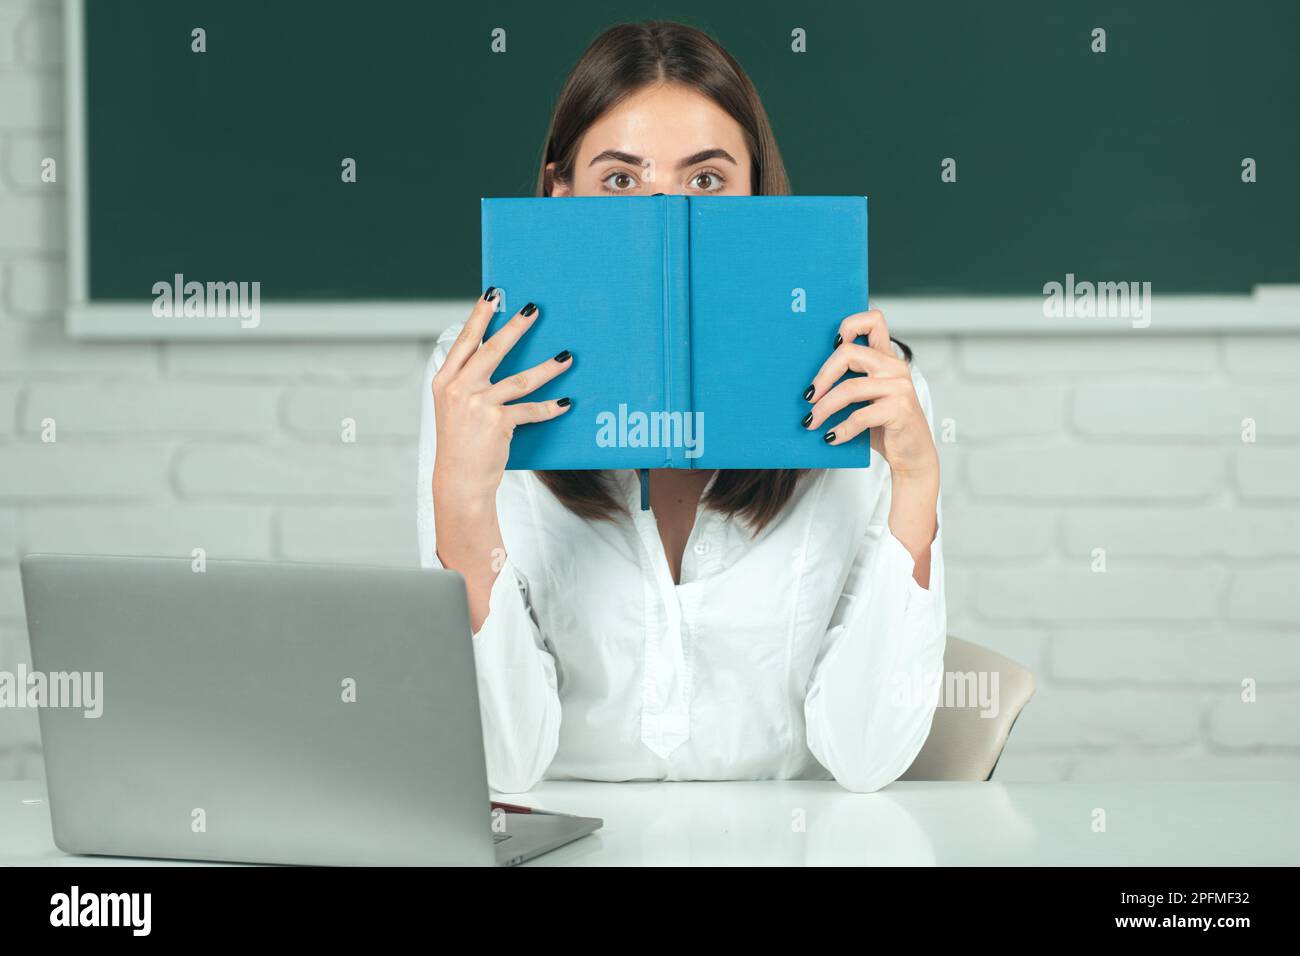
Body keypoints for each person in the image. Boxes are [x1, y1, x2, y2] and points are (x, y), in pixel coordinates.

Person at [417, 21, 945, 793]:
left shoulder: (864, 385)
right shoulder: (473, 388)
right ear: (558, 192)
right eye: (621, 180)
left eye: (704, 181)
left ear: (757, 197)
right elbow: (501, 766)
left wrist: (919, 486)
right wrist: (462, 499)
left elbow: (868, 761)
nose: (663, 217)